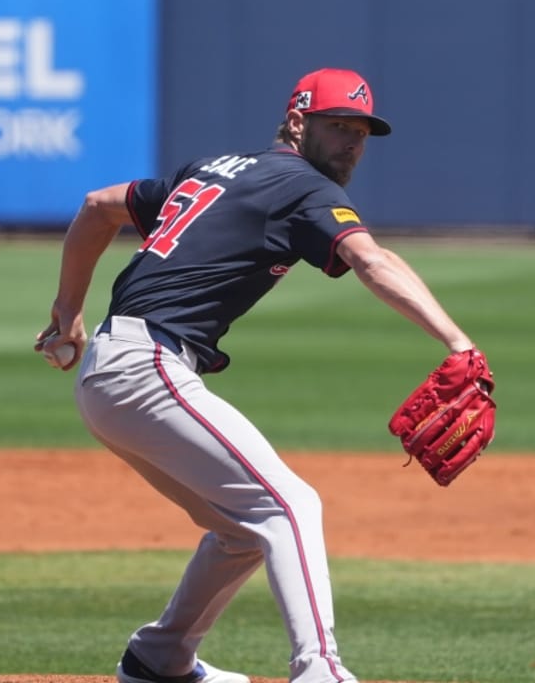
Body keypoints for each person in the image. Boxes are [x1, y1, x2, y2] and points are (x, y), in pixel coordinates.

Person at [35, 68, 479, 683]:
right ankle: (319, 668)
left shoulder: (214, 169)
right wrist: (456, 340)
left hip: (113, 373)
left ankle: (158, 658)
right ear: (297, 122)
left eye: (360, 131)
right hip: (144, 369)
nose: (351, 142)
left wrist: (67, 312)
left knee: (241, 528)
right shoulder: (303, 185)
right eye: (337, 126)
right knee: (291, 506)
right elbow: (370, 259)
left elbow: (96, 208)